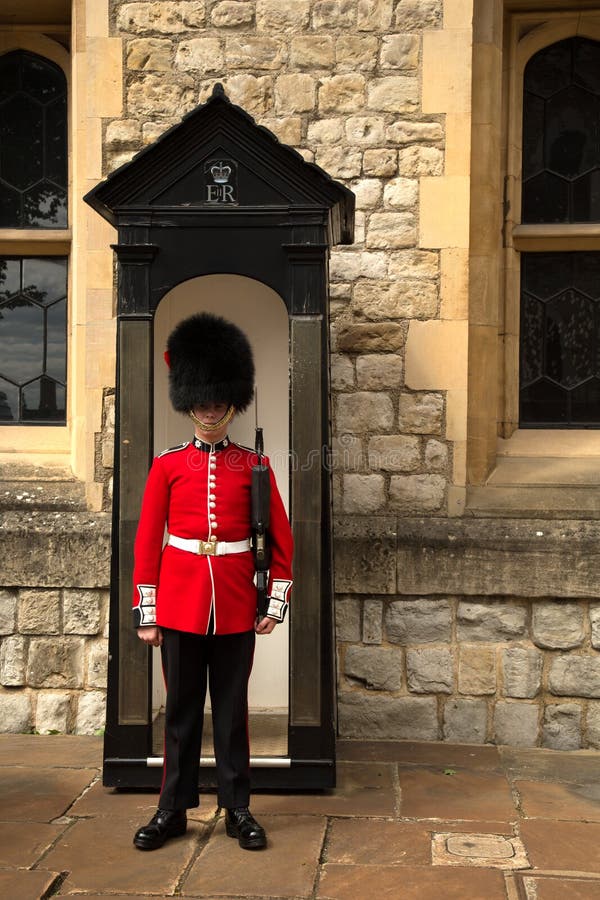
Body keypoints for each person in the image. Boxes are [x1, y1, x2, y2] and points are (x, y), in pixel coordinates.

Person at [132, 312, 293, 852]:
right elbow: (148, 542)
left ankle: (238, 807)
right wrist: (147, 613)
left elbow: (282, 545)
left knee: (231, 712)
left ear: (230, 403)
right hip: (178, 605)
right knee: (179, 712)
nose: (208, 410)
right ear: (190, 402)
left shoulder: (255, 467)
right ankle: (171, 810)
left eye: (216, 402)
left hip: (234, 604)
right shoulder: (167, 466)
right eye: (200, 402)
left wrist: (273, 603)